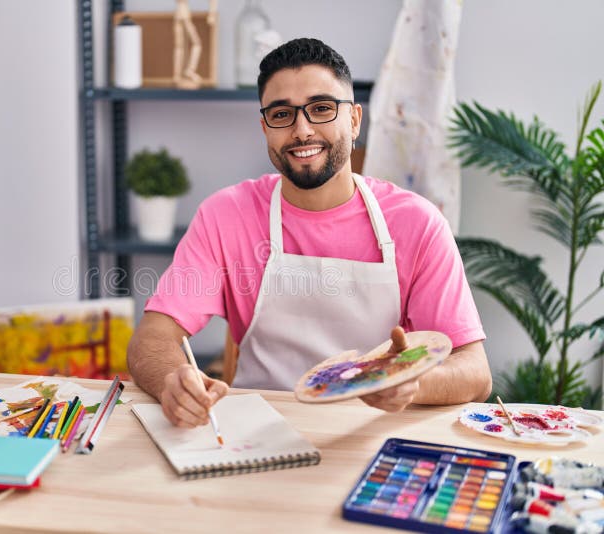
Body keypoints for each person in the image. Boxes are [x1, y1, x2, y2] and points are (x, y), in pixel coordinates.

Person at [127, 38, 492, 427]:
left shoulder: (417, 223)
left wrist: (411, 383)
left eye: (321, 109)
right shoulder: (227, 216)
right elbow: (153, 338)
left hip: (371, 435)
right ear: (265, 127)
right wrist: (172, 380)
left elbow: (475, 372)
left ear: (354, 120)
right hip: (258, 433)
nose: (302, 130)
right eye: (282, 114)